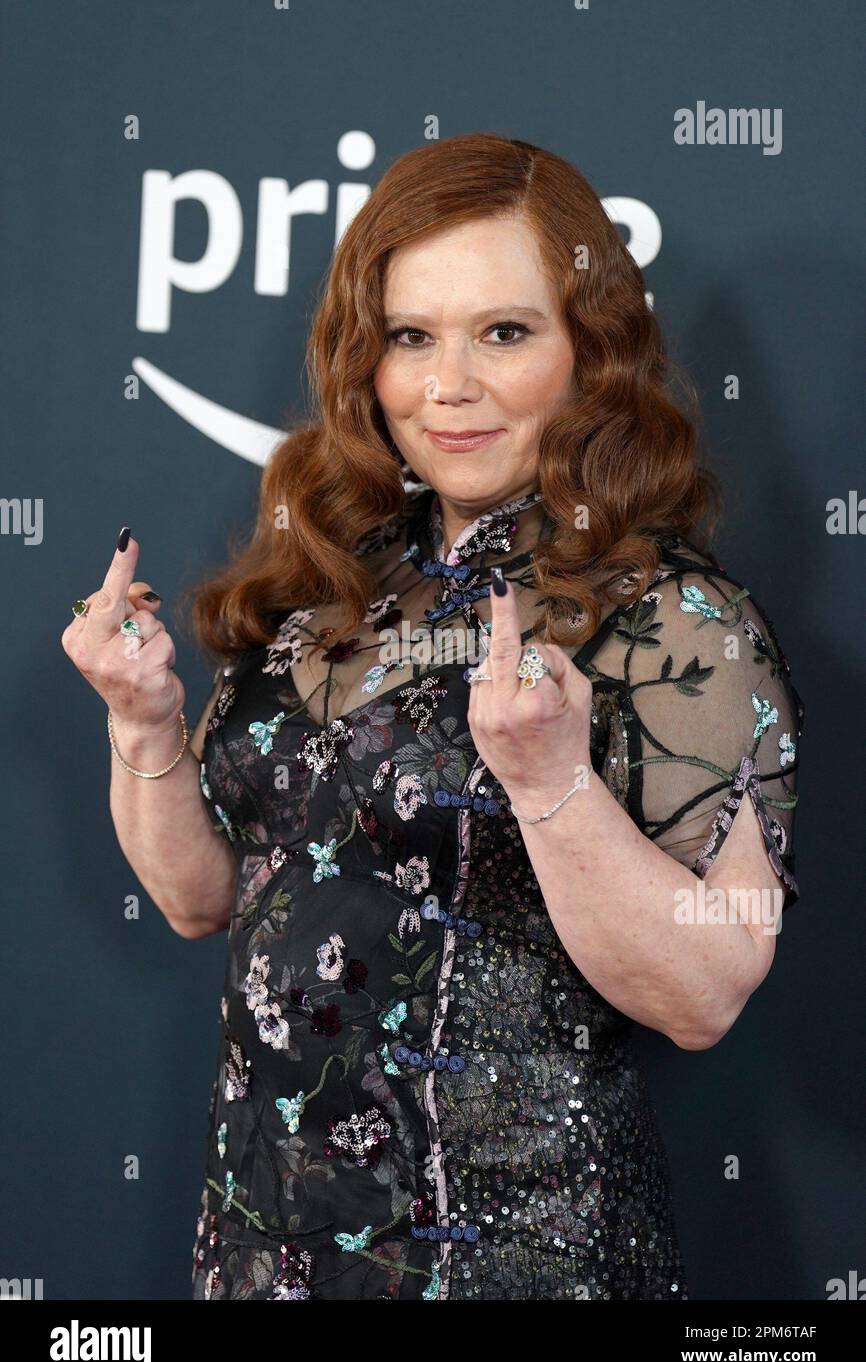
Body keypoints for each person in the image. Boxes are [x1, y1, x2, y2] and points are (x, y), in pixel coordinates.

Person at [61, 132, 803, 1300]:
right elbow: (204, 899)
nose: (445, 385)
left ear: (588, 352)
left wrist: (547, 779)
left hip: (511, 1263)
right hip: (260, 1260)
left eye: (503, 333)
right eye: (410, 336)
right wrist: (144, 728)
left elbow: (702, 994)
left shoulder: (675, 619)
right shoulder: (323, 583)